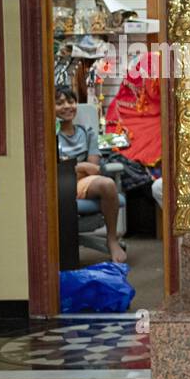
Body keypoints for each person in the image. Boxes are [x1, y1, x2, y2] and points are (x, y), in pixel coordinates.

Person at [55, 85, 126, 263]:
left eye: (70, 101)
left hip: (82, 184)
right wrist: (80, 166)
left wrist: (72, 166)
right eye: (59, 103)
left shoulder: (87, 133)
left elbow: (93, 168)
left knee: (108, 184)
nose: (67, 106)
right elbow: (53, 168)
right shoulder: (50, 135)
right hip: (60, 185)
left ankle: (112, 240)